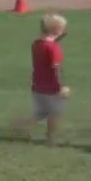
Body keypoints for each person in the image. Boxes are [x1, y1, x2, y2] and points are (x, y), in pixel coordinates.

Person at [14, 14, 70, 143]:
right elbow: (56, 69)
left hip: (38, 85)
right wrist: (62, 86)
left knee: (41, 113)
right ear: (57, 30)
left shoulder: (37, 44)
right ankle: (51, 138)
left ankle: (19, 125)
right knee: (54, 113)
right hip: (51, 88)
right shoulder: (53, 48)